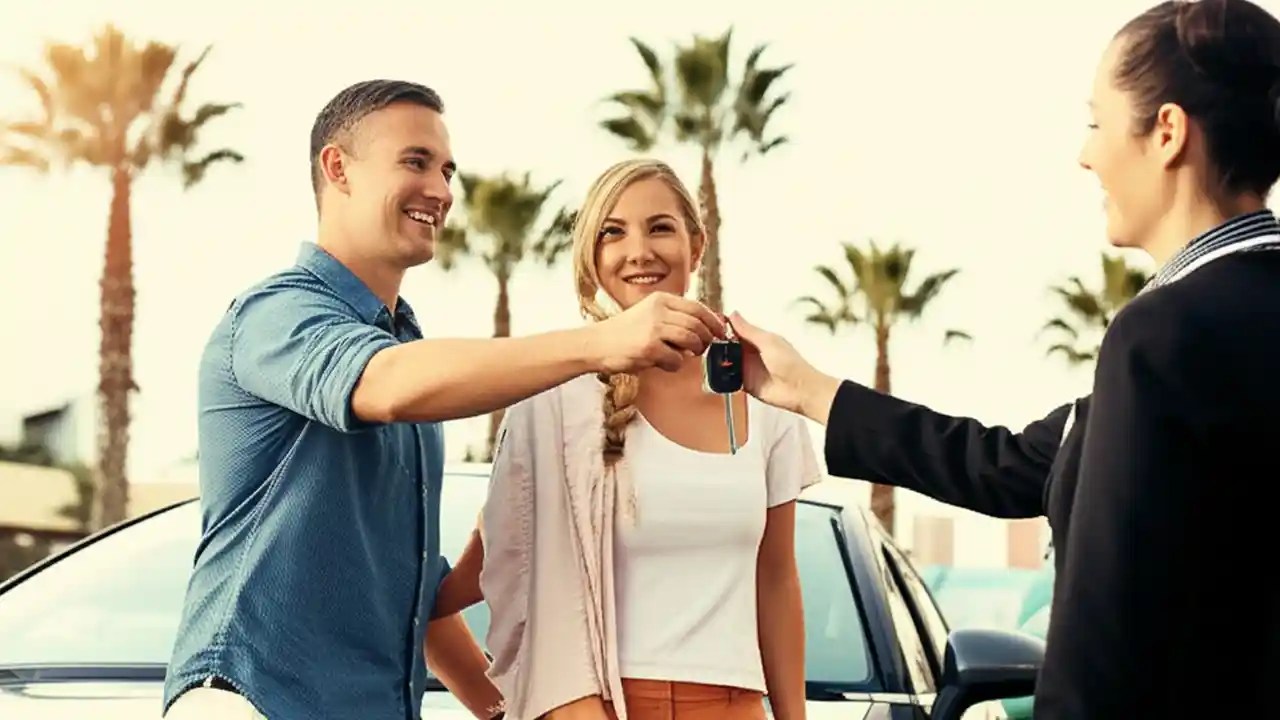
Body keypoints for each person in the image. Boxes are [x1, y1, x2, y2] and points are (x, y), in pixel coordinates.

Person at [727, 1, 1280, 716]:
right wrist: (812, 391)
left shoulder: (1165, 337)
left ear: (1167, 132)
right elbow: (1013, 463)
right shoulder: (1212, 325)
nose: (1086, 154)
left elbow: (1104, 642)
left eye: (1096, 122)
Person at [161, 81, 727, 720]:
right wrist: (604, 342)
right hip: (251, 702)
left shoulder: (408, 347)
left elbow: (417, 601)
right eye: (415, 161)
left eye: (447, 169)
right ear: (337, 168)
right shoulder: (275, 315)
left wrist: (511, 709)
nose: (441, 189)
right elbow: (386, 385)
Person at [430, 158, 819, 720]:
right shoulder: (552, 402)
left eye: (659, 226)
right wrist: (503, 712)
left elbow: (777, 579)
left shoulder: (764, 397)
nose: (638, 250)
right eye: (613, 233)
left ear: (697, 245)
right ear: (592, 258)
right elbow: (462, 590)